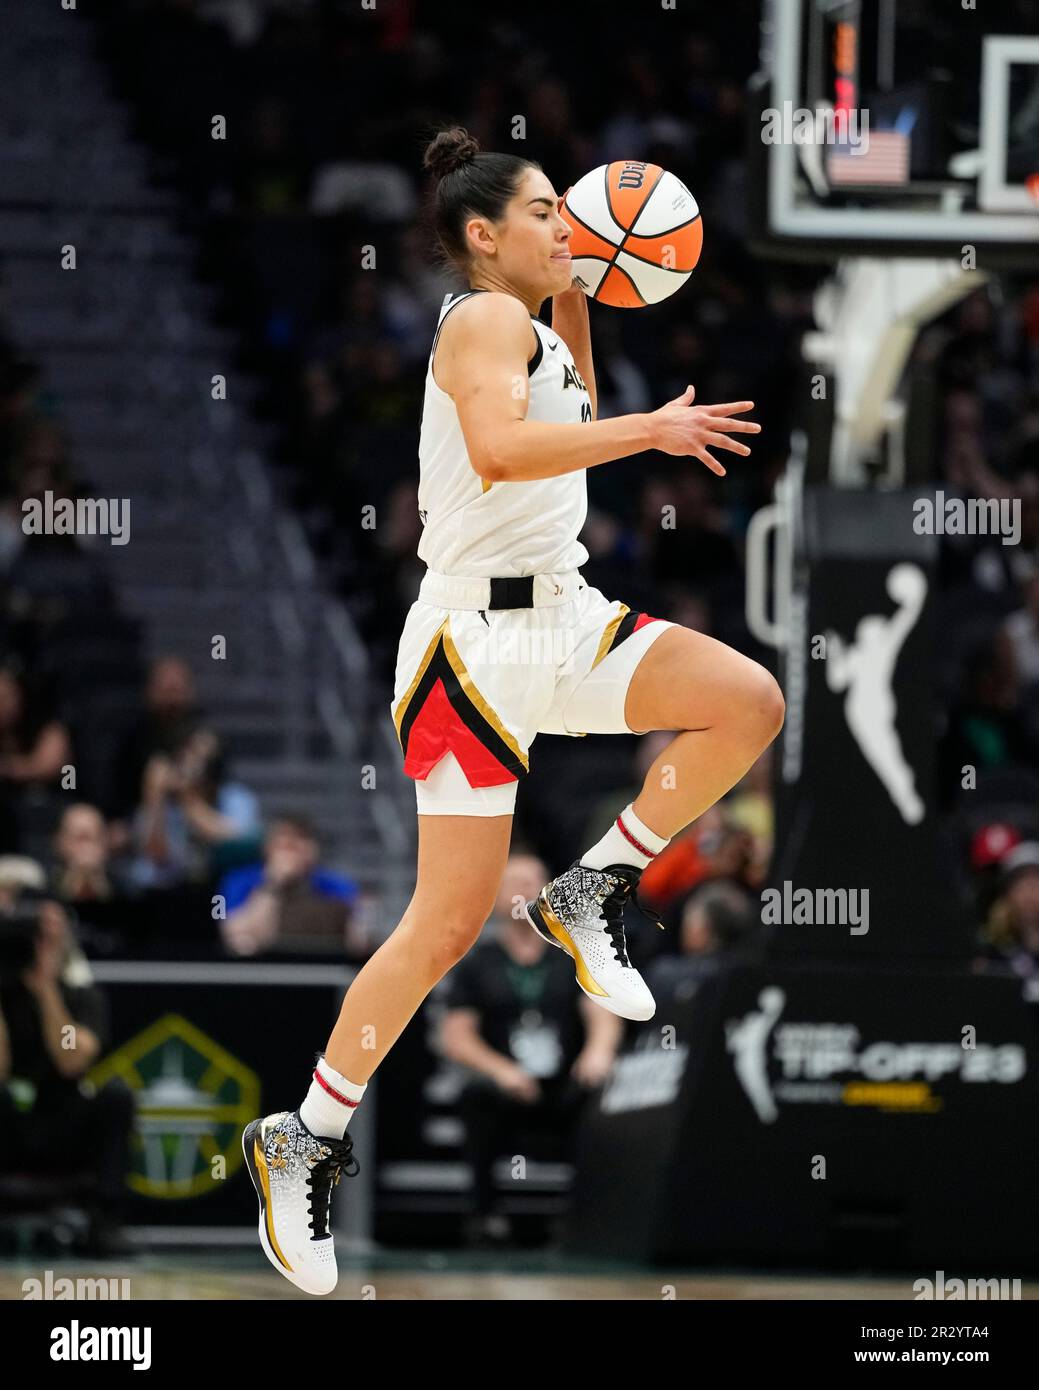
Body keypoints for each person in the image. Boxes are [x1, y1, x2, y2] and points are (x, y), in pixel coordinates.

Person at [243, 126, 784, 1294]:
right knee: (440, 927)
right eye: (543, 212)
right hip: (469, 645)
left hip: (561, 612)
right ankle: (306, 1135)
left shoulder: (544, 318)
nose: (562, 226)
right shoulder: (480, 317)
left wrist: (597, 276)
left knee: (747, 701)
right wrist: (652, 427)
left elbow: (563, 409)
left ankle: (592, 885)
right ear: (482, 236)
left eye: (564, 210)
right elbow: (497, 447)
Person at [438, 853, 621, 1246]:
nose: (523, 890)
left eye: (532, 881)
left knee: (598, 1096)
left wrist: (599, 1051)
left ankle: (585, 1216)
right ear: (497, 894)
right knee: (474, 1097)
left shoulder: (572, 954)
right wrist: (501, 1070)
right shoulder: (477, 963)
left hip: (563, 1082)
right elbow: (457, 1036)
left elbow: (601, 1013)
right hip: (507, 1085)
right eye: (514, 882)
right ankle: (485, 1216)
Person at [0, 893, 133, 1254]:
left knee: (115, 1096)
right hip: (9, 1122)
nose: (41, 942)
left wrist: (45, 990)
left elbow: (71, 1062)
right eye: (35, 933)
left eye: (51, 932)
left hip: (61, 1120)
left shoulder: (82, 996)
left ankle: (104, 1222)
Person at [219, 815, 363, 958]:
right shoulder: (239, 880)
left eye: (298, 844)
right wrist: (273, 884)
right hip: (264, 966)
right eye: (285, 846)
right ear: (268, 847)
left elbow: (358, 943)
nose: (291, 856)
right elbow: (234, 936)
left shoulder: (336, 884)